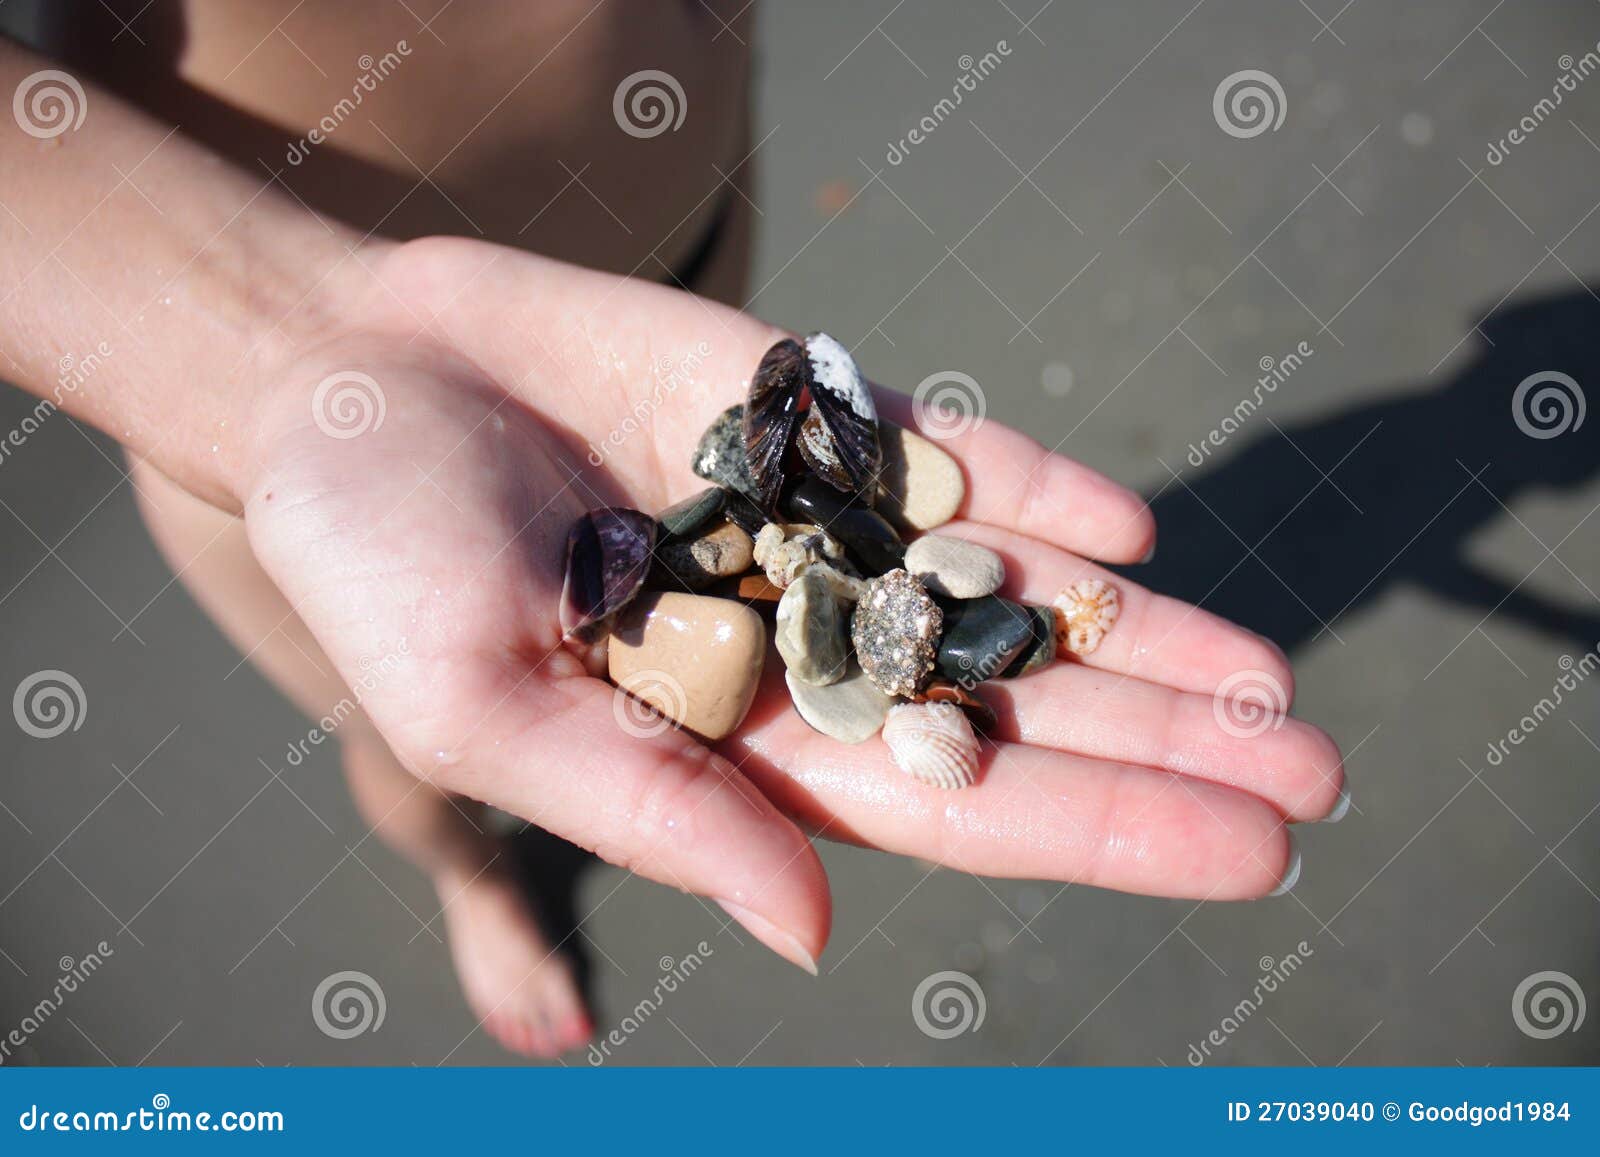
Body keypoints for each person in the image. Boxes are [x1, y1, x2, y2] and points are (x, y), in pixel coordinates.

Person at [0, 2, 1344, 1060]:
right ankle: (475, 876)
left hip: (669, 260)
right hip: (290, 375)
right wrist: (285, 343)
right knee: (402, 736)